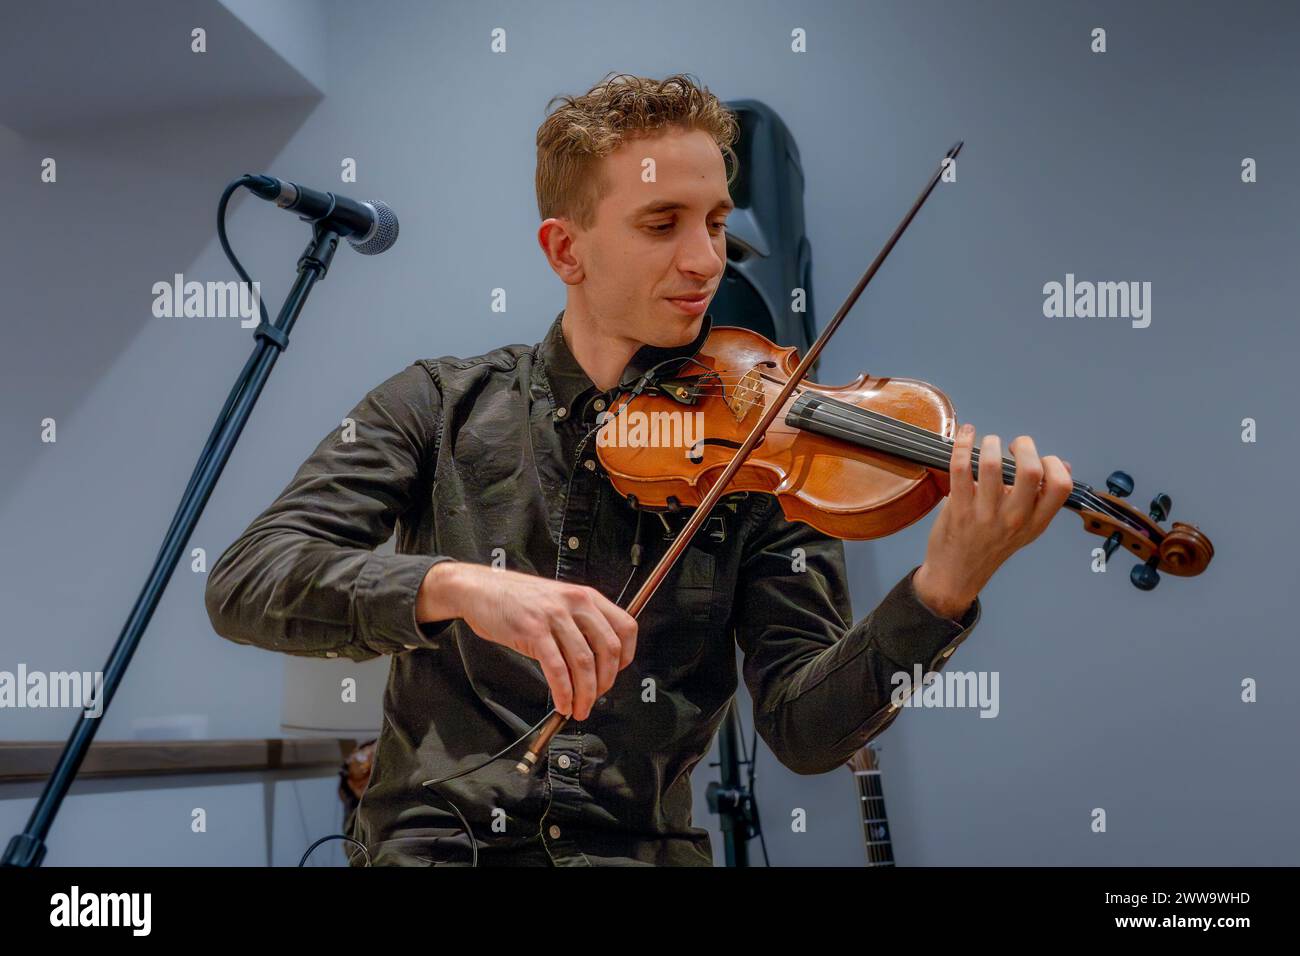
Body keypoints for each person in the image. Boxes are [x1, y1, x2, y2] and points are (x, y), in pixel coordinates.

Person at [204, 73, 1072, 866]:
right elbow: (247, 579)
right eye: (664, 224)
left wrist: (942, 593)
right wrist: (463, 586)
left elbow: (808, 732)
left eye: (717, 221)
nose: (705, 260)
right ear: (565, 250)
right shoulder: (434, 405)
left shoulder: (769, 446)